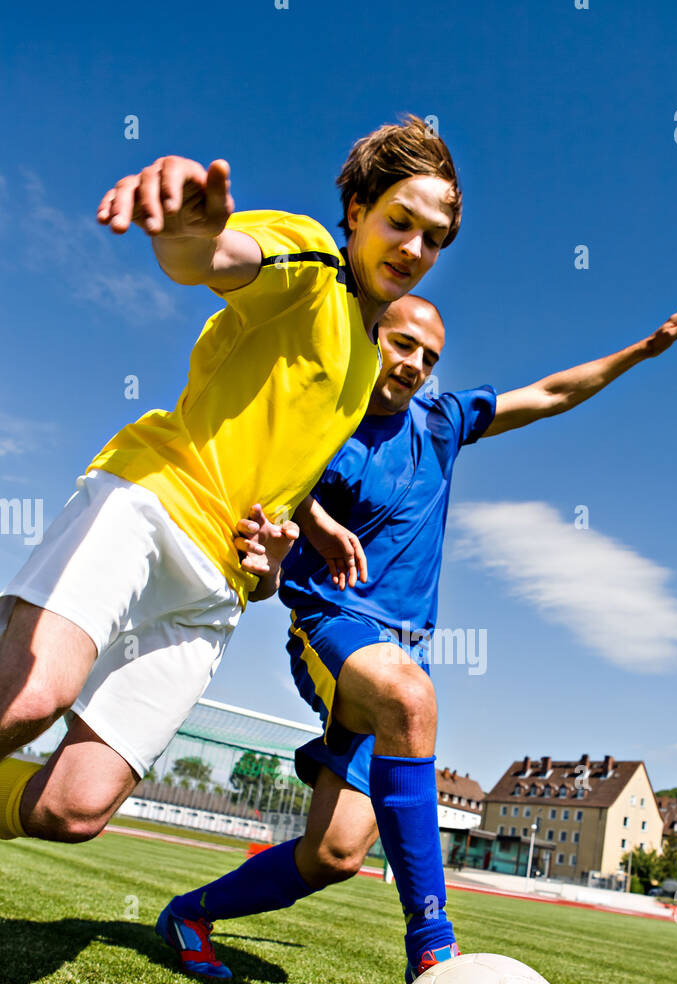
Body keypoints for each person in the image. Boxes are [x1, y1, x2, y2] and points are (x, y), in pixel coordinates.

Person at [159, 293, 677, 983]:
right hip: (330, 627)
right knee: (412, 699)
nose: (415, 364)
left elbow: (552, 392)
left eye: (430, 356)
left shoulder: (442, 424)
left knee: (334, 853)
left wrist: (643, 350)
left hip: (400, 648)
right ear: (368, 339)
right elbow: (259, 497)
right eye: (403, 344)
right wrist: (314, 520)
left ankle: (189, 914)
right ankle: (434, 947)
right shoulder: (317, 430)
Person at [0, 116, 462, 900]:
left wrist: (279, 549)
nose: (414, 249)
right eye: (400, 222)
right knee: (30, 698)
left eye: (434, 238)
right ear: (356, 211)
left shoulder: (362, 368)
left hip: (215, 592)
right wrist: (187, 227)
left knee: (71, 807)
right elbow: (216, 255)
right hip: (151, 502)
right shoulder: (312, 258)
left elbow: (277, 477)